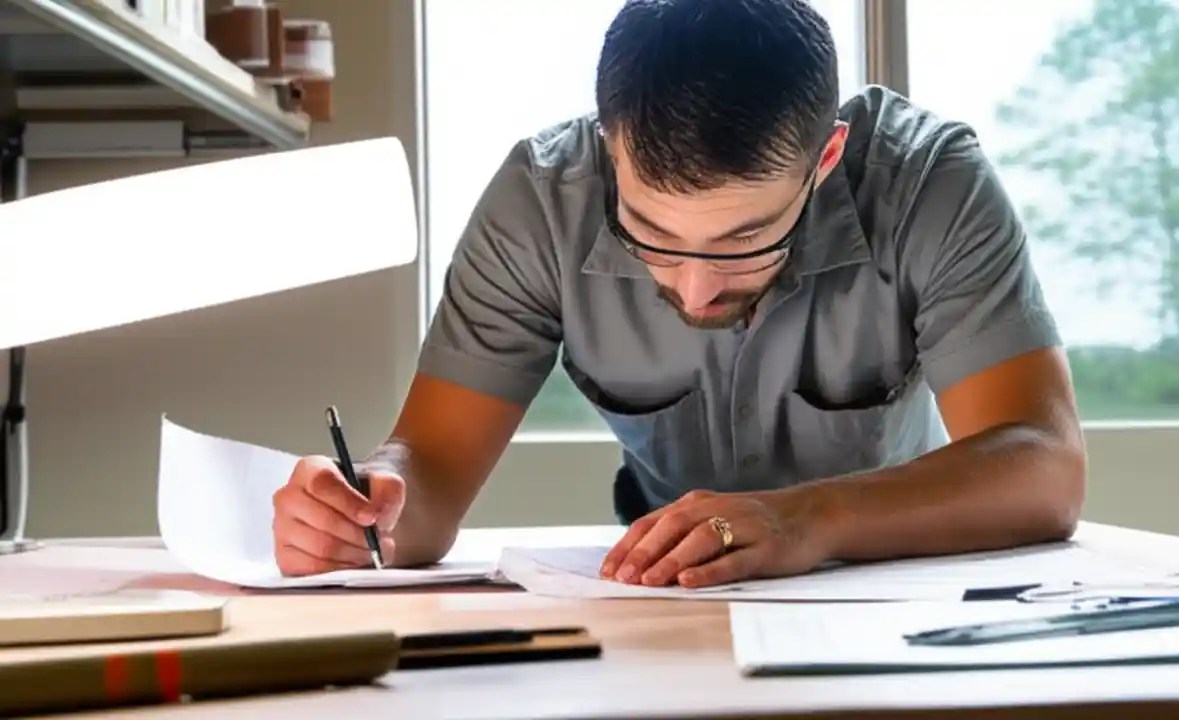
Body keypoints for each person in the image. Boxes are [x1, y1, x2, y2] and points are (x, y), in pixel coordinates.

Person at [271, 0, 1086, 589]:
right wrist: (367, 507)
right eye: (649, 233)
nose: (695, 290)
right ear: (607, 147)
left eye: (744, 239)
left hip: (895, 579)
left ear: (827, 156)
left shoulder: (929, 182)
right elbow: (431, 474)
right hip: (661, 596)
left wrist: (807, 519)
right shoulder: (541, 200)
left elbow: (1044, 468)